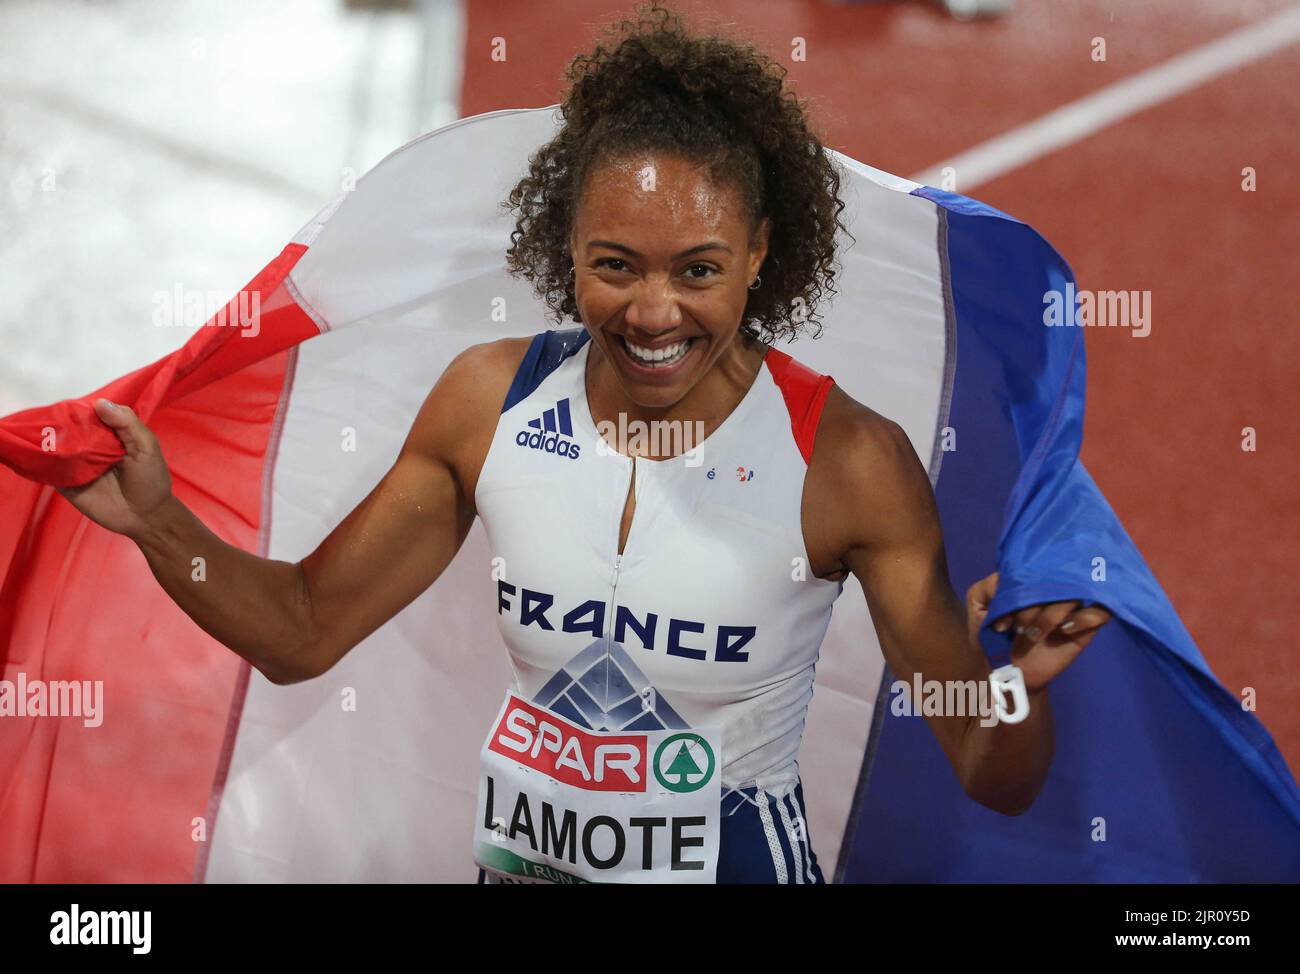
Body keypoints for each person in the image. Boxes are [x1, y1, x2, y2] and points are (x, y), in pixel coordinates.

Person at [56, 2, 1111, 884]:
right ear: (565, 246)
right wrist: (158, 521)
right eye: (616, 265)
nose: (654, 313)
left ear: (759, 253)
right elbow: (300, 631)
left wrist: (1012, 675)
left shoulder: (847, 463)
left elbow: (985, 760)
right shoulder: (488, 403)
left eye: (697, 270)